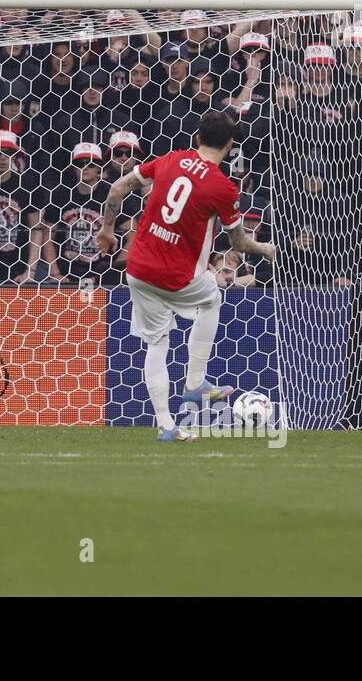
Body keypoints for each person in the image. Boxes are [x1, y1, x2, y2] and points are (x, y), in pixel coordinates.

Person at [95, 109, 277, 441]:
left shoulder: (169, 159)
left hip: (138, 269)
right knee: (213, 299)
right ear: (230, 146)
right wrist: (265, 249)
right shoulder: (223, 187)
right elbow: (237, 241)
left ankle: (166, 427)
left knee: (157, 342)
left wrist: (107, 230)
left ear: (197, 139)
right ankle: (195, 382)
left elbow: (119, 187)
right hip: (179, 277)